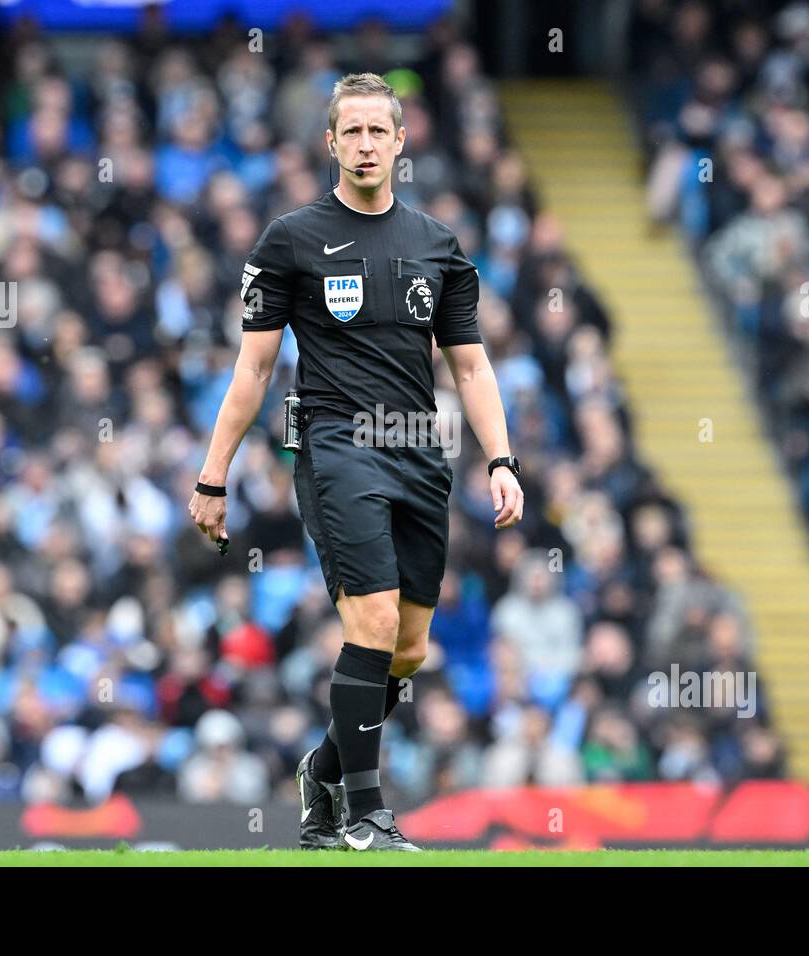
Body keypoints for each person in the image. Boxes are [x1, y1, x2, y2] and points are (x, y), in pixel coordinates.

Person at [189, 73, 523, 850]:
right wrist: (213, 476)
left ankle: (324, 770)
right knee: (371, 621)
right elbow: (252, 370)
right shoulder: (292, 239)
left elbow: (470, 368)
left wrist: (501, 460)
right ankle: (365, 813)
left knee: (407, 648)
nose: (367, 145)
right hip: (338, 443)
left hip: (420, 449)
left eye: (381, 131)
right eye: (354, 132)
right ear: (330, 142)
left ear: (402, 142)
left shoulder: (437, 246)